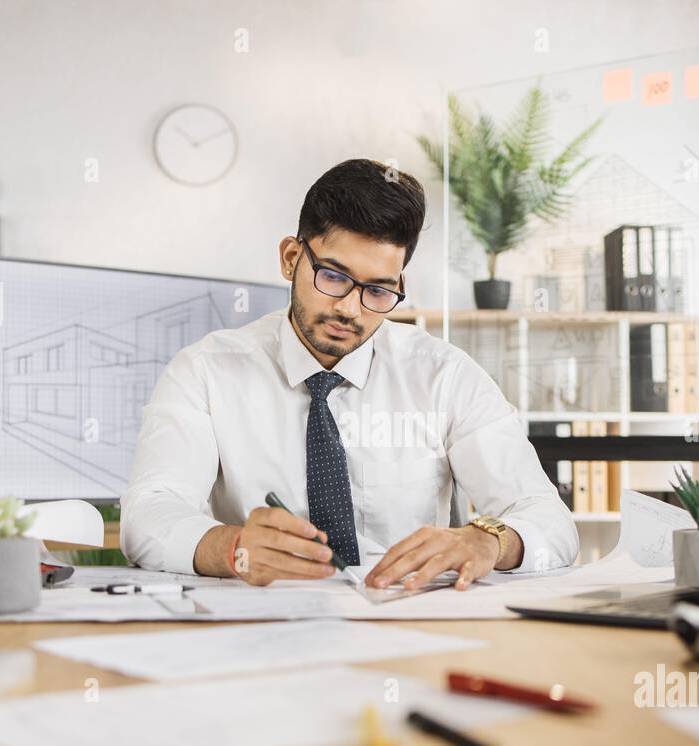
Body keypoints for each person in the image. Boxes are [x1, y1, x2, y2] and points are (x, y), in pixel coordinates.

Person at [121, 158, 577, 588]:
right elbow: (149, 515)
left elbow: (551, 523)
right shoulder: (204, 371)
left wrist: (487, 541)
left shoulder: (445, 375)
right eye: (334, 276)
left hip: (409, 621)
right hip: (264, 625)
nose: (349, 308)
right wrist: (232, 547)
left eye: (377, 290)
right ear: (290, 258)